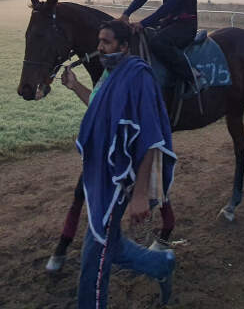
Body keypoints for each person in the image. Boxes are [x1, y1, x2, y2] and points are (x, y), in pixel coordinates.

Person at [61, 20, 178, 307]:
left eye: (107, 42)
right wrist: (75, 86)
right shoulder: (109, 74)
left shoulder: (139, 77)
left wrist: (140, 194)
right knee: (109, 243)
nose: (100, 47)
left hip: (122, 179)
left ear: (124, 46)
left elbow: (150, 138)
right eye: (99, 41)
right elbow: (98, 105)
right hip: (103, 173)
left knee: (95, 253)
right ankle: (160, 264)